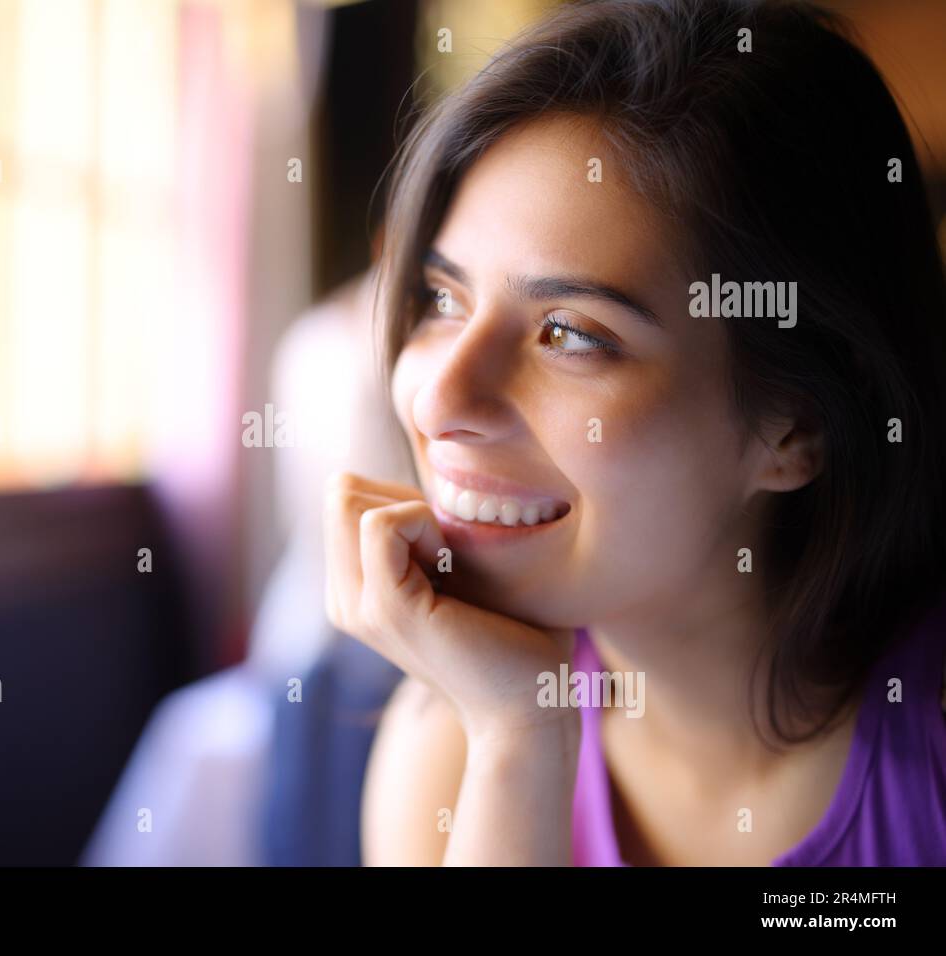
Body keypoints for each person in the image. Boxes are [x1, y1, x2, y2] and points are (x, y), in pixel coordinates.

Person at [325, 0, 946, 865]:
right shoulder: (448, 745)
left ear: (796, 424)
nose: (438, 400)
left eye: (572, 334)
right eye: (442, 300)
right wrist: (520, 737)